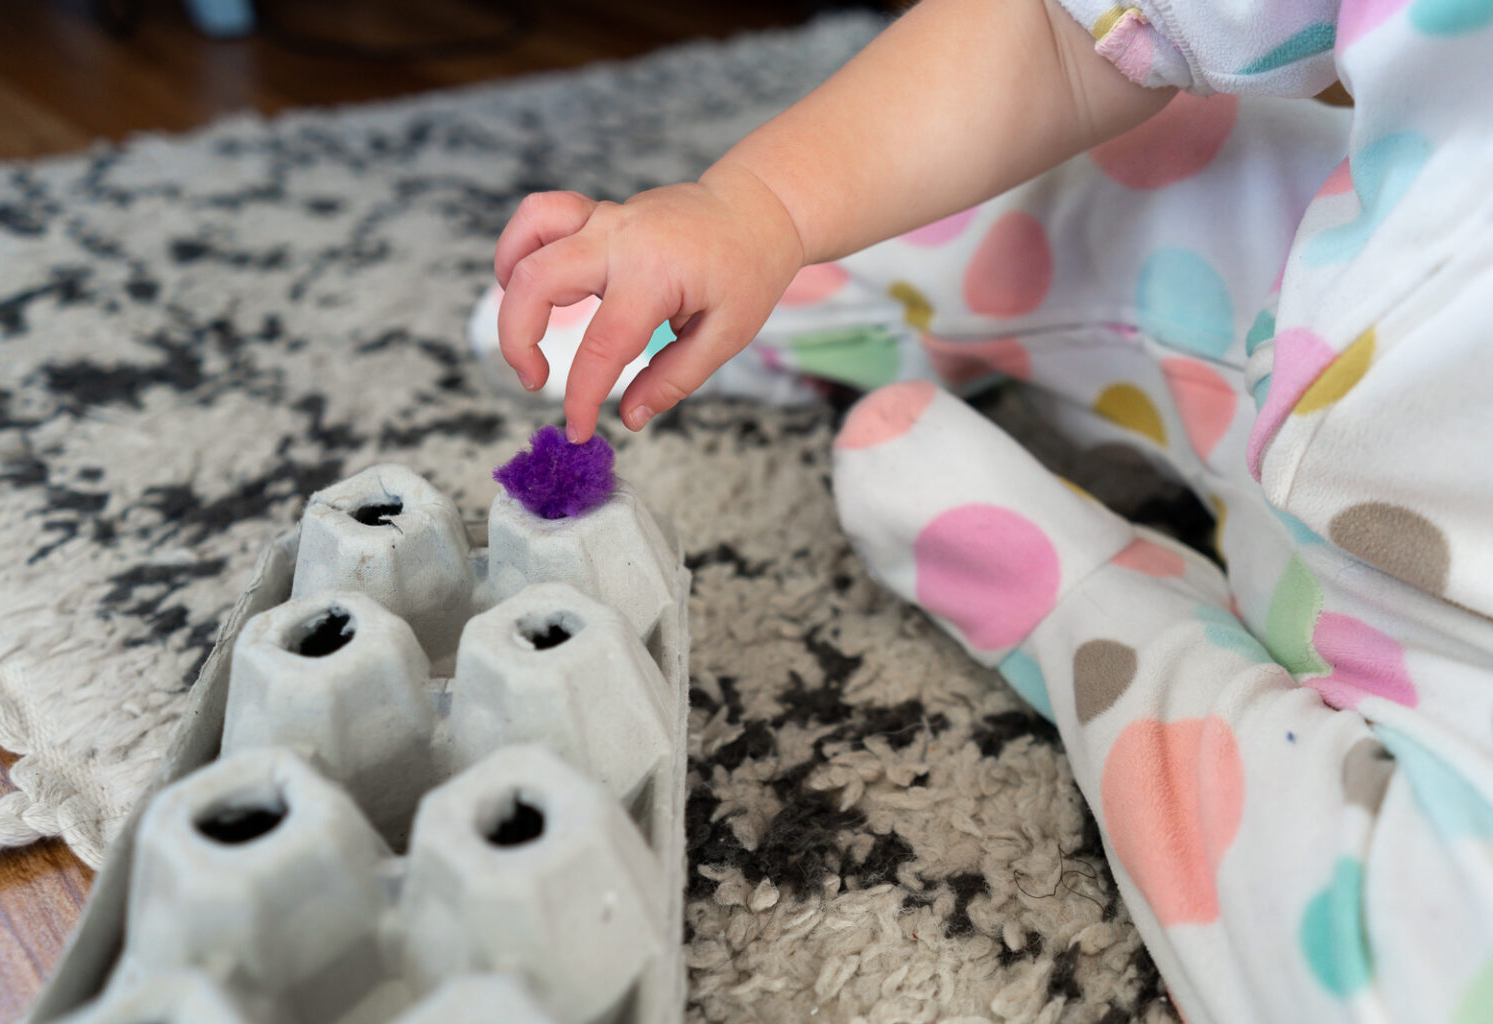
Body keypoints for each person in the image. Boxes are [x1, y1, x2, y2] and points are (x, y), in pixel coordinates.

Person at [483, 1, 1493, 1020]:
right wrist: (757, 209)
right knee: (1087, 177)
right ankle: (782, 285)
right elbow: (1065, 37)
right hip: (1340, 294)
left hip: (1452, 648)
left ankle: (1086, 603)